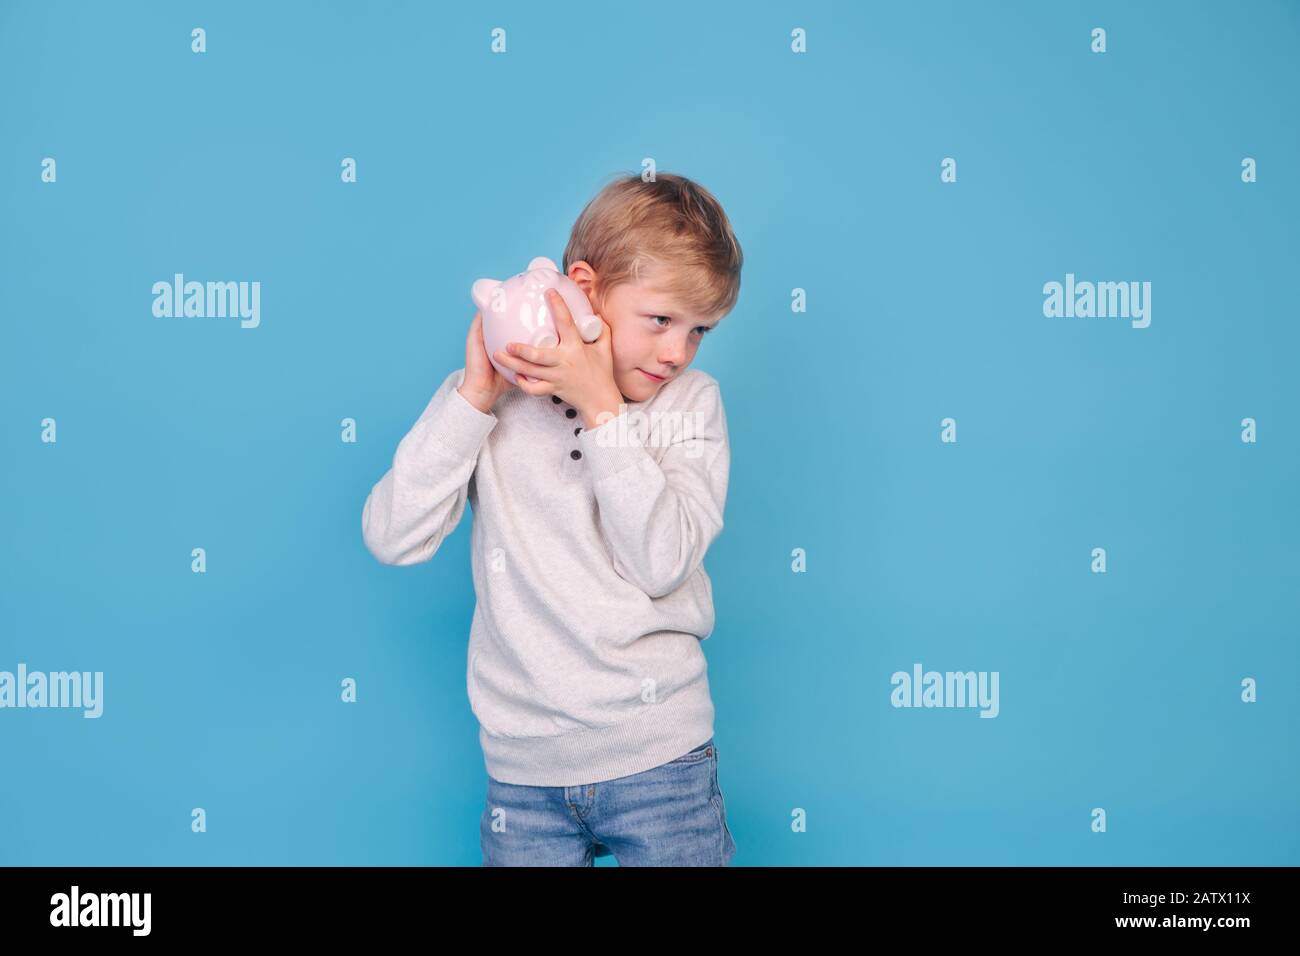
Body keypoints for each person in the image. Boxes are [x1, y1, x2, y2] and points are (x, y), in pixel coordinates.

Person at [361, 172, 742, 865]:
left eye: (699, 331)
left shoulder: (692, 406)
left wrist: (603, 410)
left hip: (661, 757)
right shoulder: (491, 406)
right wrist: (473, 396)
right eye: (661, 320)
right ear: (585, 290)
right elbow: (393, 536)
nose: (676, 353)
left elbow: (661, 562)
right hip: (524, 773)